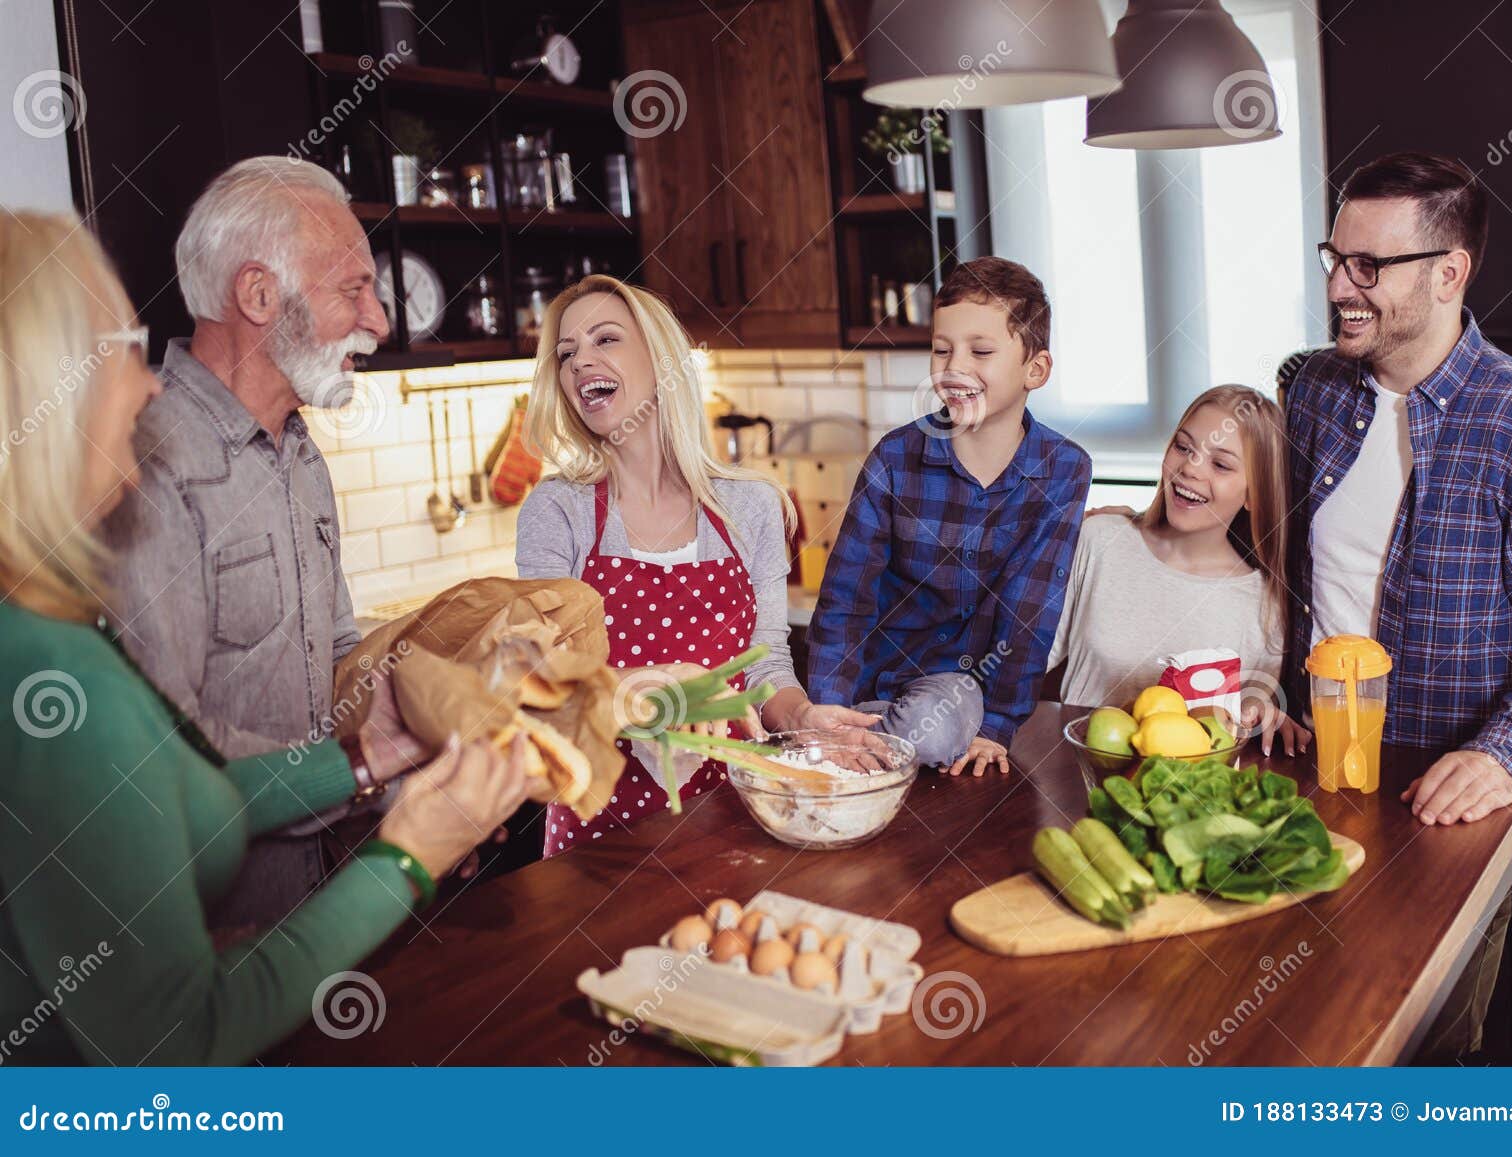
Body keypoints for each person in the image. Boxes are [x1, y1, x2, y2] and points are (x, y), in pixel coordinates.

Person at [0, 212, 542, 1064]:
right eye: (119, 350)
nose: (145, 387)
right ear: (41, 394)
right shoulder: (53, 665)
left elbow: (170, 798)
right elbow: (179, 1042)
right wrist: (409, 857)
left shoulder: (37, 625)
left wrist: (369, 756)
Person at [1285, 151, 1512, 1055]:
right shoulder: (1312, 392)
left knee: (1413, 1053)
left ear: (1451, 271)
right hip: (1315, 776)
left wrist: (1507, 751)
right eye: (1336, 257)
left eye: (1370, 267)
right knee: (1302, 1036)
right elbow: (1281, 564)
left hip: (1441, 802)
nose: (1342, 285)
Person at [101, 157, 398, 928]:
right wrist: (366, 771)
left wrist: (419, 767)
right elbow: (175, 749)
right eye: (353, 289)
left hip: (322, 904)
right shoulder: (148, 467)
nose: (379, 320)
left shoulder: (299, 453)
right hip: (219, 936)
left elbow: (340, 659)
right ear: (259, 294)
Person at [514, 275, 881, 855]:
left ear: (662, 364)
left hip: (736, 816)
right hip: (601, 838)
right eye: (566, 353)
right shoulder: (558, 511)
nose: (581, 361)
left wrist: (803, 717)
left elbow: (763, 673)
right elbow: (540, 683)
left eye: (604, 339)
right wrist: (643, 687)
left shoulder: (750, 506)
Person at [808, 257, 1091, 776]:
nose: (954, 367)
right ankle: (866, 732)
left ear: (1036, 369)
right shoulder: (895, 457)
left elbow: (1028, 611)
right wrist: (829, 710)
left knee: (931, 733)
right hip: (873, 673)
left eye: (980, 351)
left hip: (952, 683)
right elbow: (845, 597)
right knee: (861, 735)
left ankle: (889, 739)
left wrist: (994, 727)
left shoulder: (1063, 469)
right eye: (942, 350)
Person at [1047, 386, 1310, 755]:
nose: (1189, 468)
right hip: (1079, 778)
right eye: (1184, 448)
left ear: (1254, 494)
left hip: (1188, 802)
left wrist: (1261, 712)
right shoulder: (1098, 541)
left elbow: (1242, 723)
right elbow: (1023, 658)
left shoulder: (1265, 606)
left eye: (1220, 464)